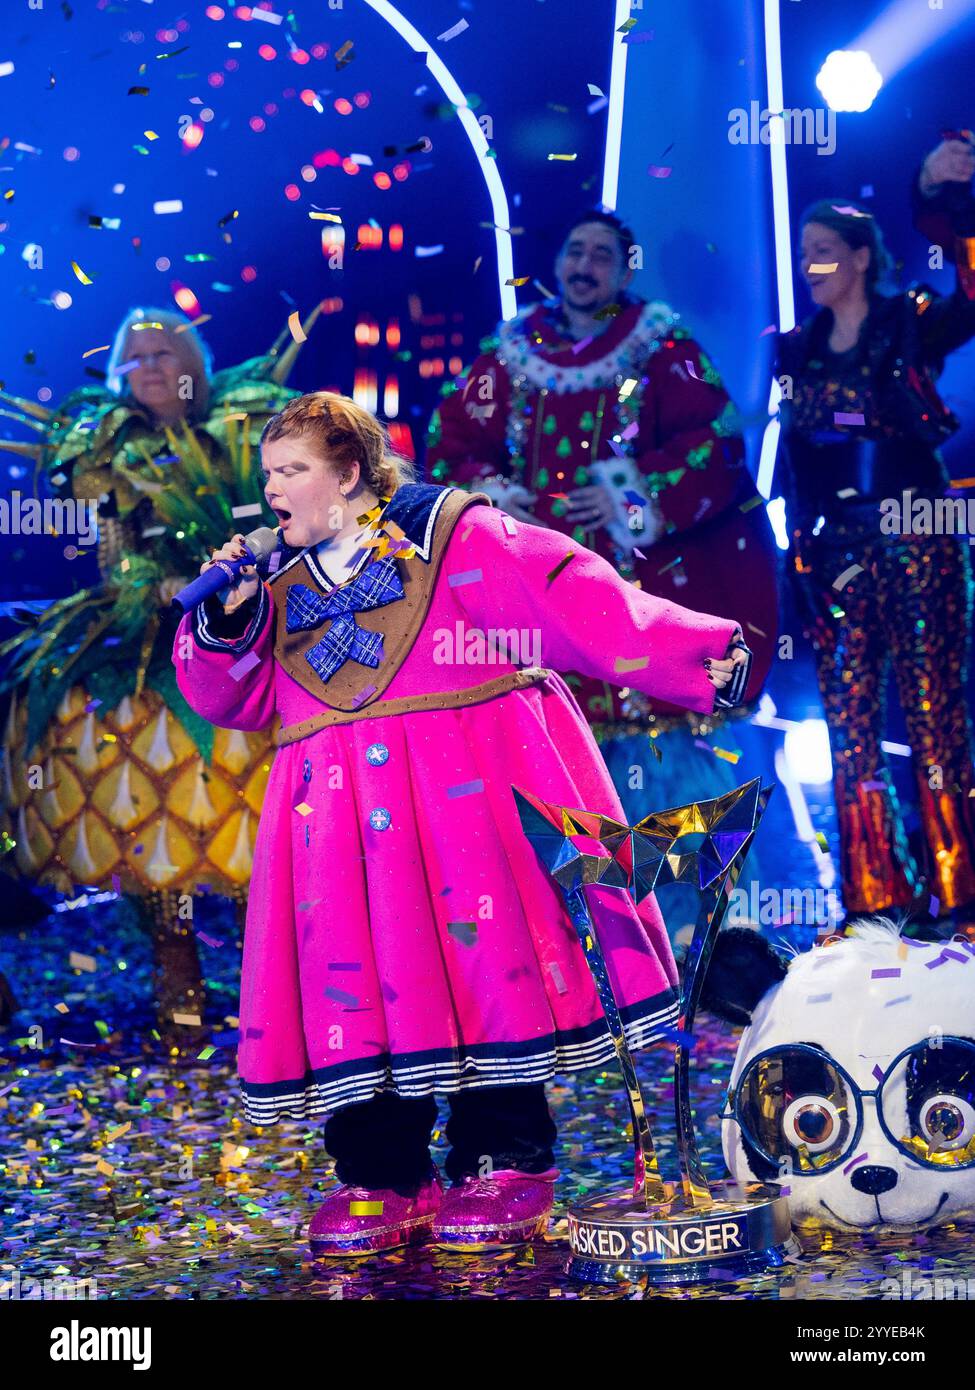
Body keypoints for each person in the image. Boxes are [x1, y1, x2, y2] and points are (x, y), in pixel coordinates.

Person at [173, 390, 750, 1257]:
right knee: (351, 980)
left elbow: (576, 598)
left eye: (293, 470)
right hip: (336, 827)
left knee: (485, 963)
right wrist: (224, 620)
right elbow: (230, 697)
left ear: (352, 473)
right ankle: (379, 1171)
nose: (275, 489)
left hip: (459, 805)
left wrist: (699, 654)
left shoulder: (452, 536)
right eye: (269, 475)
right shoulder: (271, 584)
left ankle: (505, 1157)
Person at [427, 208, 777, 934]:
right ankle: (569, 935)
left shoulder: (662, 346)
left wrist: (626, 492)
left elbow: (713, 447)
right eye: (573, 250)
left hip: (635, 589)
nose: (583, 265)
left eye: (600, 255)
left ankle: (692, 931)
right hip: (534, 598)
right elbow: (451, 441)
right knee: (547, 756)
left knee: (663, 759)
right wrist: (494, 497)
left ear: (624, 271)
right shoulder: (511, 349)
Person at [0, 304, 317, 1054]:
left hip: (249, 622)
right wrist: (158, 585)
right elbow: (110, 554)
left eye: (160, 354)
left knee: (253, 814)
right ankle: (175, 971)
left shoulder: (250, 432)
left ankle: (275, 982)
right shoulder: (107, 446)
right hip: (147, 631)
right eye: (132, 357)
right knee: (152, 808)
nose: (147, 367)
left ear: (192, 367)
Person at [776, 136, 975, 921]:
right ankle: (871, 895)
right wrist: (797, 554)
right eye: (802, 255)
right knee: (849, 721)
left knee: (934, 714)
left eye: (823, 251)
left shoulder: (909, 321)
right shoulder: (793, 348)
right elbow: (793, 459)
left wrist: (940, 195)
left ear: (860, 256)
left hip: (915, 534)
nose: (810, 265)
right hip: (831, 550)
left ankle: (958, 891)